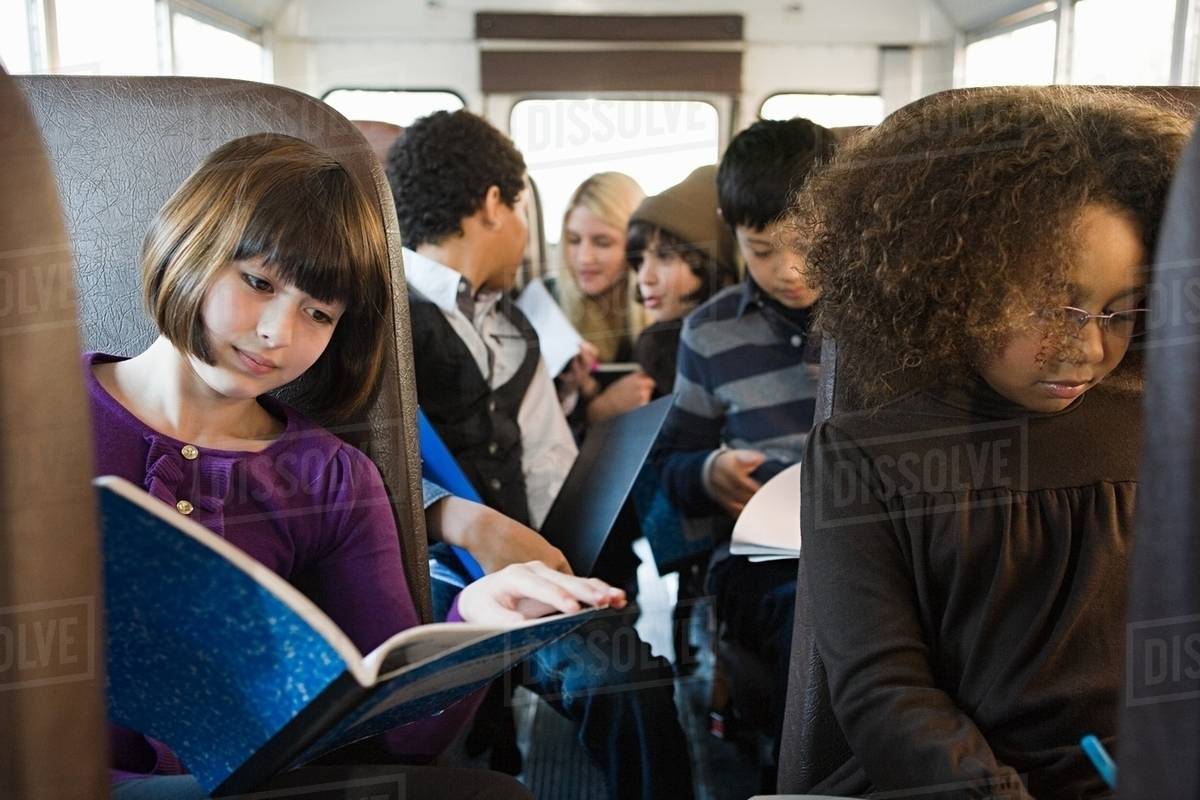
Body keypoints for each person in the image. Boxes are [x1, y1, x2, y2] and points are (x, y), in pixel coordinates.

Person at [93, 133, 627, 800]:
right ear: (187, 243)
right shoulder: (33, 420)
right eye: (257, 282)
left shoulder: (332, 477)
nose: (277, 334)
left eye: (318, 313)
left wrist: (478, 623)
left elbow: (403, 732)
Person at [793, 87, 1189, 798]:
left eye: (1120, 311)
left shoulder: (1162, 433)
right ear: (954, 283)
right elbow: (885, 691)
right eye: (1050, 306)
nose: (1088, 348)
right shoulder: (866, 456)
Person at [387, 110, 693, 800]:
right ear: (495, 204)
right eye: (523, 209)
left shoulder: (513, 320)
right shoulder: (381, 317)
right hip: (433, 575)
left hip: (540, 558)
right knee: (619, 682)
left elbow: (546, 452)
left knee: (632, 676)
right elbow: (345, 460)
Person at [650, 118, 834, 750]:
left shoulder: (883, 322)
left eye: (809, 244)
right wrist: (708, 474)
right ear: (732, 231)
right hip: (762, 555)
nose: (789, 269)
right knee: (811, 628)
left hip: (870, 538)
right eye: (762, 249)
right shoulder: (709, 333)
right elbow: (672, 466)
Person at [551, 172, 656, 424]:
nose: (584, 258)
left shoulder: (661, 311)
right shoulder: (550, 308)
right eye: (574, 240)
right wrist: (596, 408)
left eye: (602, 242)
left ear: (635, 244)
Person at [626, 164, 738, 397]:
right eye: (640, 261)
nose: (645, 277)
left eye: (664, 257)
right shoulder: (657, 347)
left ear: (712, 263)